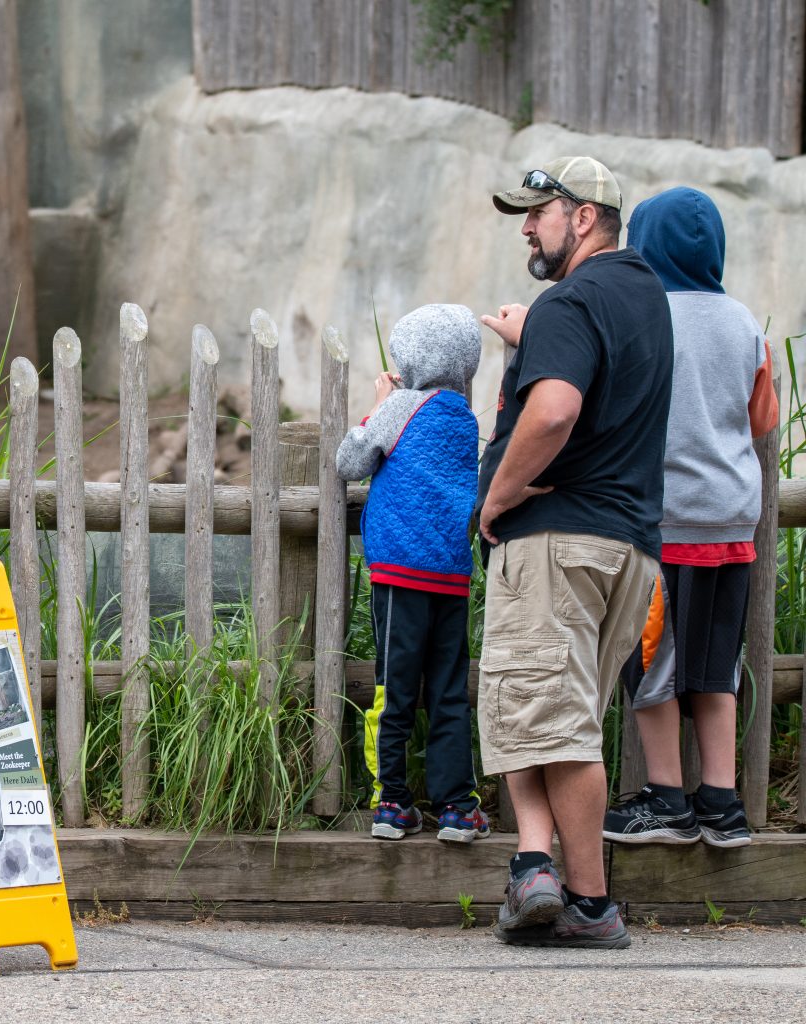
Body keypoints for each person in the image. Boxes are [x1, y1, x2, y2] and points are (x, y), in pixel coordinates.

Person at [477, 156, 672, 949]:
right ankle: (536, 868)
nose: (527, 227)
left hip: (558, 542)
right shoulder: (644, 298)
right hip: (630, 547)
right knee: (559, 713)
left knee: (550, 720)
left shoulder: (571, 299)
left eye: (538, 212)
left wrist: (499, 494)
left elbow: (555, 411)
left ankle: (589, 903)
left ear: (583, 216)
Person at [603, 187, 779, 849]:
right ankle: (722, 805)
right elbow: (762, 418)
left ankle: (667, 800)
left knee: (649, 661)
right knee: (714, 665)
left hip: (665, 526)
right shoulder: (744, 323)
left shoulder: (643, 316)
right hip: (731, 527)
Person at [336, 304, 489, 844]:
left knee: (394, 687)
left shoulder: (400, 406)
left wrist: (377, 406)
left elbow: (350, 462)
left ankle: (392, 802)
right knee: (448, 691)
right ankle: (458, 808)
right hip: (450, 576)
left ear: (412, 361)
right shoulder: (465, 418)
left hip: (400, 573)